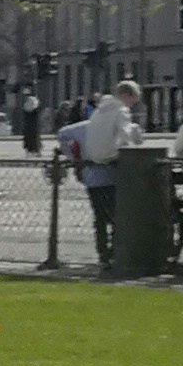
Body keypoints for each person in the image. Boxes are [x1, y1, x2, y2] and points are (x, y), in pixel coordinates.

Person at [71, 83, 136, 263]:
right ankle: (117, 252)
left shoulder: (98, 112)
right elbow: (124, 135)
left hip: (93, 168)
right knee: (118, 215)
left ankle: (102, 253)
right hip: (111, 167)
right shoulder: (121, 111)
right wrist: (125, 150)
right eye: (133, 99)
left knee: (100, 217)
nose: (133, 104)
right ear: (125, 95)